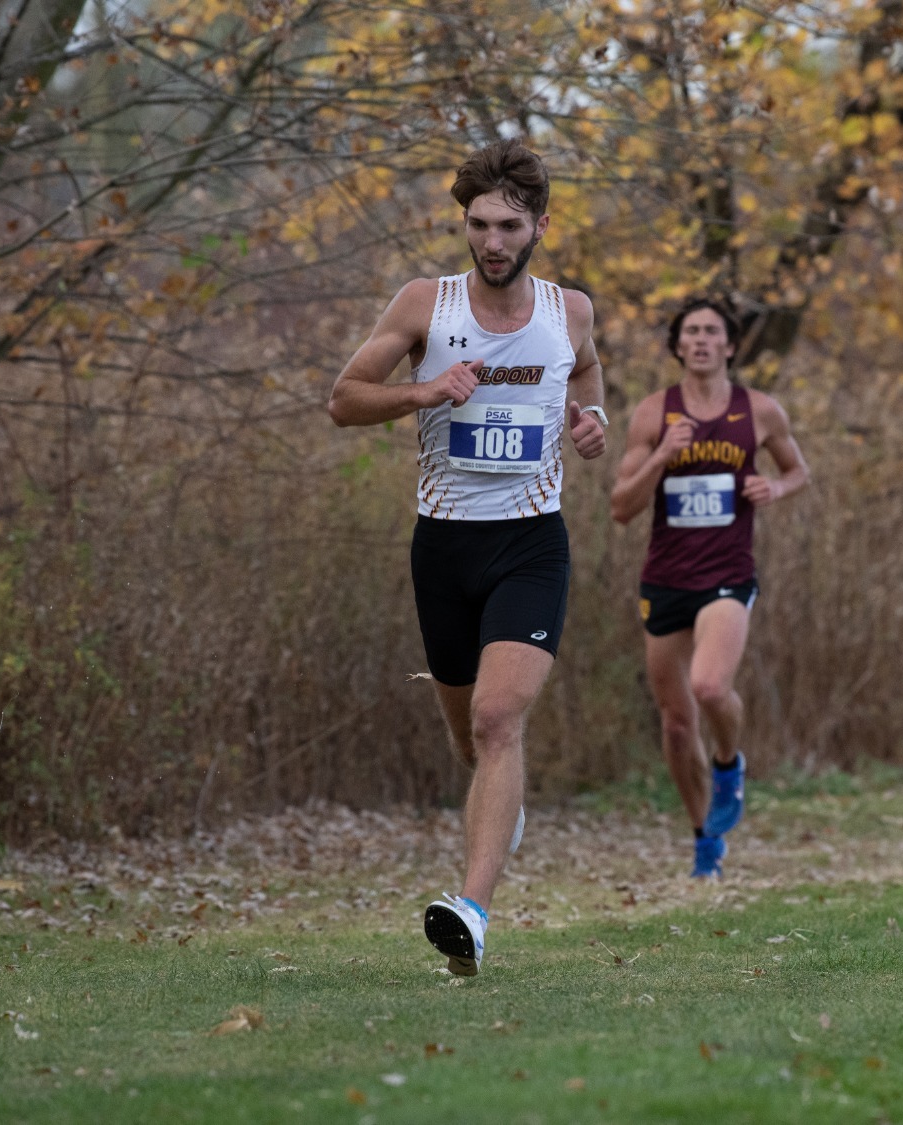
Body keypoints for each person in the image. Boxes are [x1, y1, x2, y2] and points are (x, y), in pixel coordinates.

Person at [326, 139, 607, 975]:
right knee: (470, 740)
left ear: (540, 226)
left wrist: (592, 423)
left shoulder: (571, 311)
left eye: (509, 225)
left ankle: (473, 910)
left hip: (531, 542)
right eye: (479, 223)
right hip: (444, 547)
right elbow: (343, 399)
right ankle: (500, 806)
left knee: (498, 720)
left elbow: (586, 376)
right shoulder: (425, 303)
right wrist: (422, 391)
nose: (492, 240)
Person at [610, 297, 807, 876]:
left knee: (710, 687)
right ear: (677, 346)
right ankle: (704, 841)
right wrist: (662, 458)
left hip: (727, 573)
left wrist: (776, 489)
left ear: (729, 345)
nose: (700, 340)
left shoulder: (760, 410)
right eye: (690, 331)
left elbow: (799, 470)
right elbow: (621, 507)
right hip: (666, 579)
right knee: (674, 725)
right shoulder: (653, 414)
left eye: (711, 331)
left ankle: (728, 765)